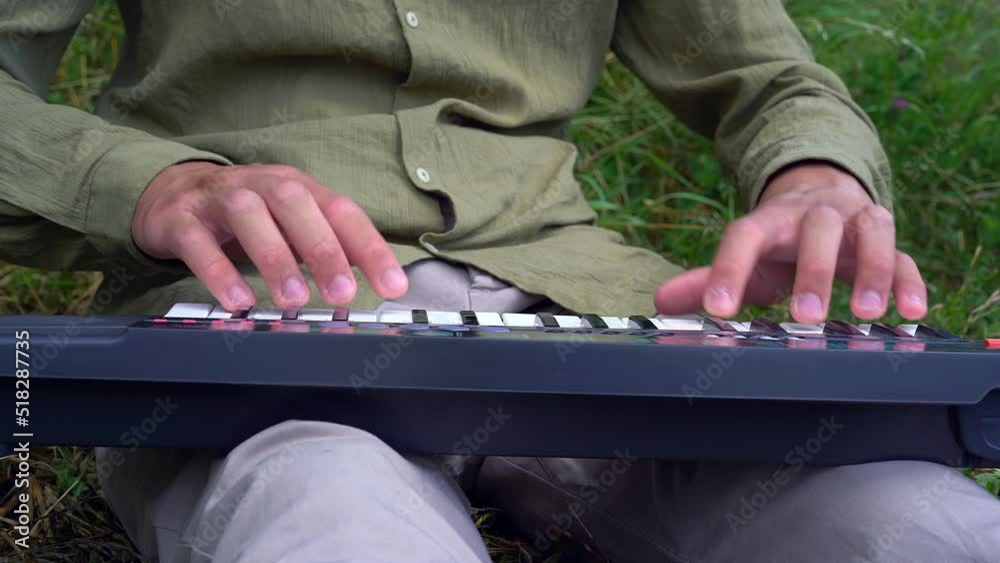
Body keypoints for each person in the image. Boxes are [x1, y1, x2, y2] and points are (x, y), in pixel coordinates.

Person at [1, 1, 997, 561]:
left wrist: (811, 181)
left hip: (589, 326)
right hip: (257, 326)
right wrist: (156, 184)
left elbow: (773, 81)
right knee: (331, 518)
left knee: (917, 523)